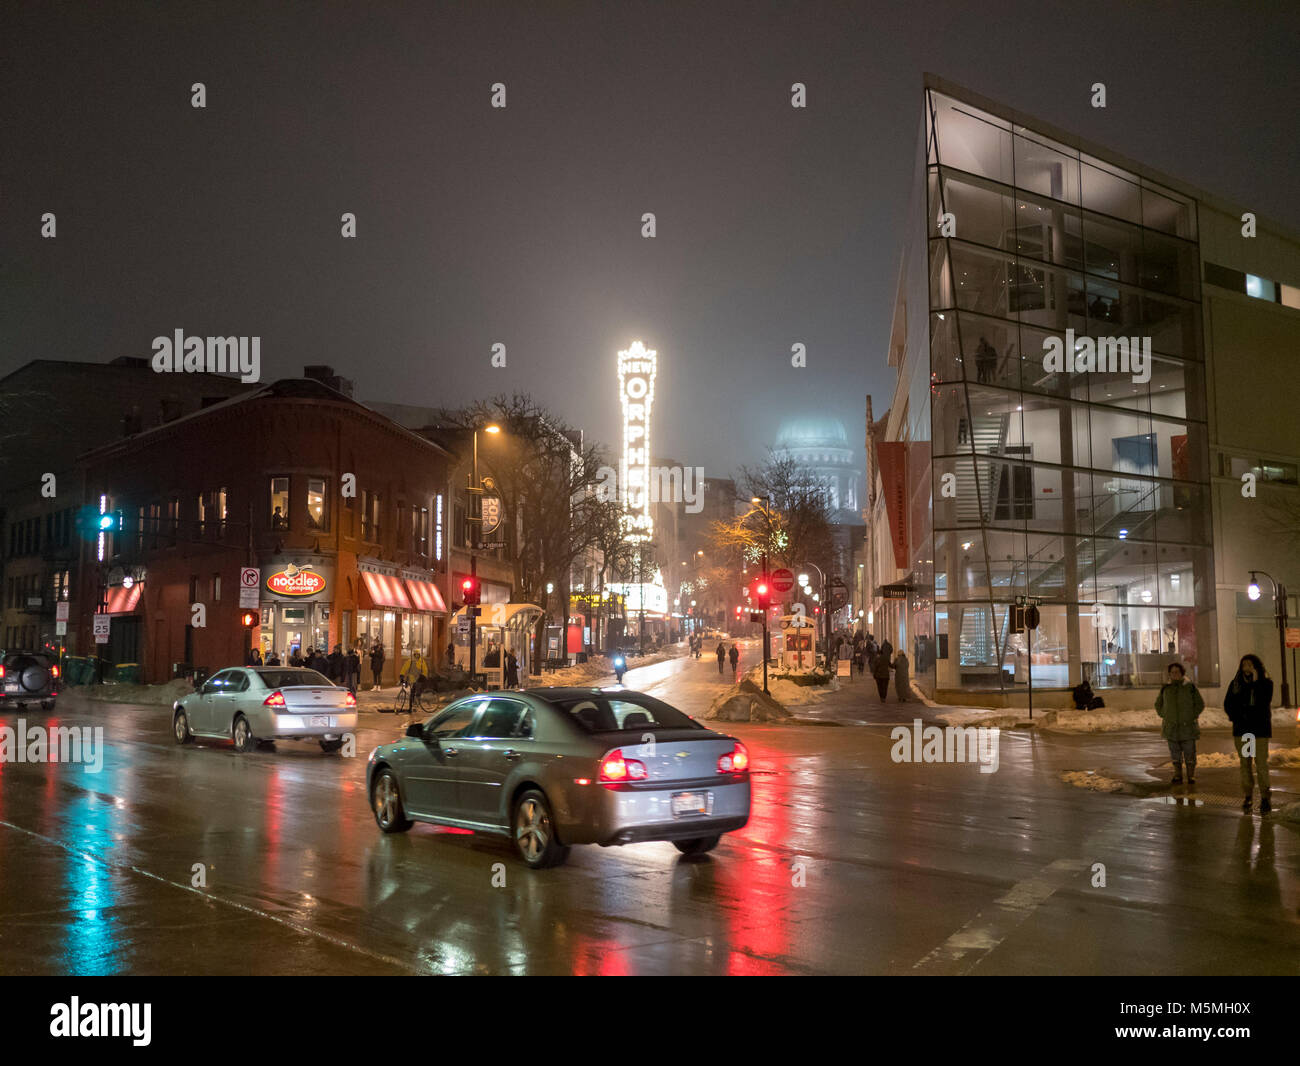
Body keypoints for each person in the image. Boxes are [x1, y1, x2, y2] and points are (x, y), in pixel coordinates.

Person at [1224, 654, 1274, 813]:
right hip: (1243, 732)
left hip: (1259, 731)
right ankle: (1248, 795)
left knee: (1261, 764)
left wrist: (1257, 681)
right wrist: (1237, 717)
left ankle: (1265, 797)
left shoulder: (1265, 683)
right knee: (1245, 764)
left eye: (1250, 664)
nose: (1247, 667)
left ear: (1256, 666)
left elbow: (1265, 699)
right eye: (1244, 664)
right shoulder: (1236, 684)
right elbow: (1228, 704)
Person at [1155, 662, 1204, 786]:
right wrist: (1164, 715)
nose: (1174, 674)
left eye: (1177, 672)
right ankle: (1177, 775)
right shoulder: (1166, 688)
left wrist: (1192, 715)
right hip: (1171, 728)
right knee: (1175, 755)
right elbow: (1158, 704)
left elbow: (1200, 704)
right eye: (1172, 672)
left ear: (1182, 673)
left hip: (1187, 728)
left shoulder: (1189, 687)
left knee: (1190, 754)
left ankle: (1191, 776)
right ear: (1169, 674)